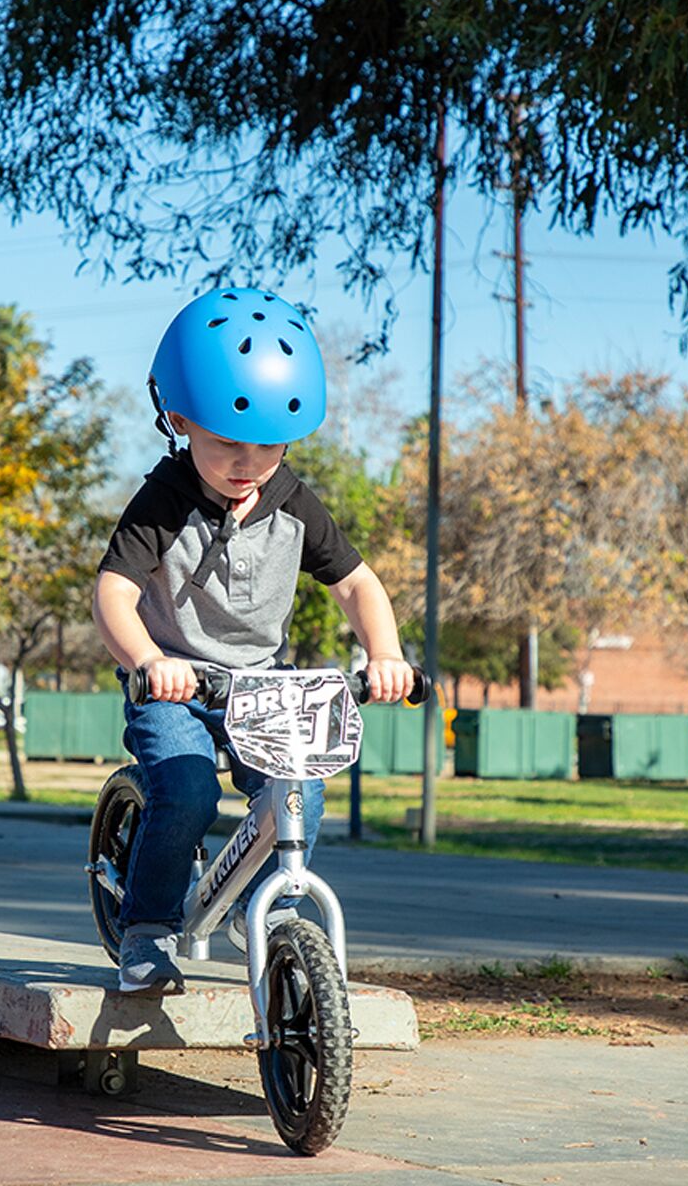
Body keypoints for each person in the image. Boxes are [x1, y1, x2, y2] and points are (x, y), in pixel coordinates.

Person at [92, 286, 414, 996]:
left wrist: (384, 655)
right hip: (176, 679)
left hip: (262, 683)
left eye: (270, 444)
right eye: (227, 443)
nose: (249, 462)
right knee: (184, 790)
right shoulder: (164, 500)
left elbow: (358, 585)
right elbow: (113, 592)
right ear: (180, 420)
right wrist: (148, 660)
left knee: (300, 792)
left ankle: (257, 913)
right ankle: (147, 930)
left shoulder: (293, 500)